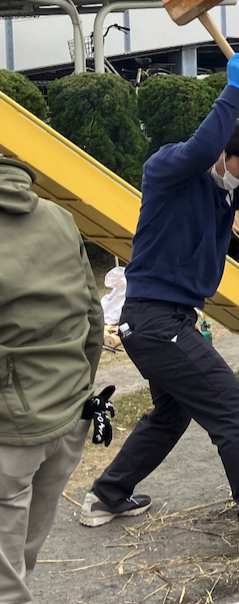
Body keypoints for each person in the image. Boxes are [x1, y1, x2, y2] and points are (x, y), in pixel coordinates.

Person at [83, 54, 239, 556]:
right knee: (233, 408)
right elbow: (199, 148)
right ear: (221, 152)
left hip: (165, 320)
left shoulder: (223, 189)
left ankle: (106, 495)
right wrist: (232, 92)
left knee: (172, 414)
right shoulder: (170, 168)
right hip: (153, 319)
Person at [0, 155, 106, 604]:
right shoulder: (60, 219)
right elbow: (93, 318)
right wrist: (78, 386)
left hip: (11, 426)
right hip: (68, 413)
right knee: (22, 559)